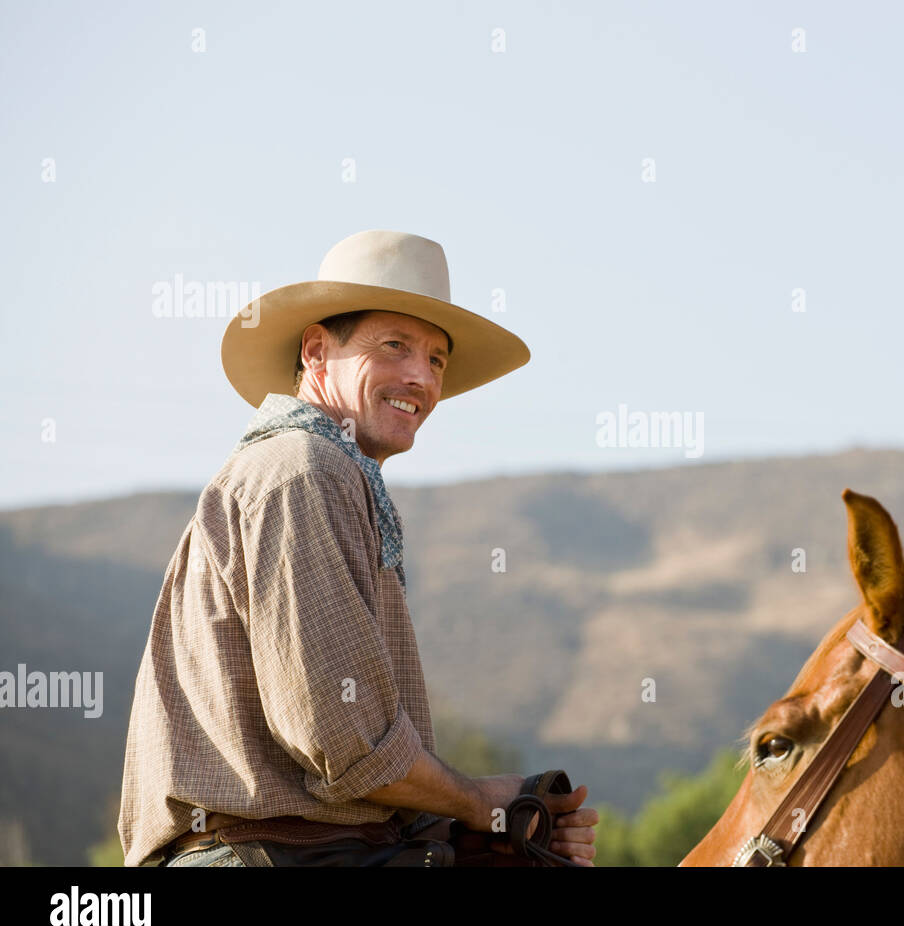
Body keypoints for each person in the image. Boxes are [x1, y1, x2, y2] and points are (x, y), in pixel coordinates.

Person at [118, 229, 598, 866]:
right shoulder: (305, 470)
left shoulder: (321, 472)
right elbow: (347, 745)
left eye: (436, 360)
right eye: (395, 345)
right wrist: (488, 801)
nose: (420, 378)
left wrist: (489, 828)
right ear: (317, 351)